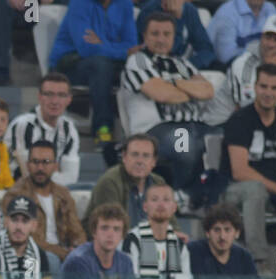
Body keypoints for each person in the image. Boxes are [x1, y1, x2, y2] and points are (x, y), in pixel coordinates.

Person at [222, 62, 276, 262]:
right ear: (255, 87)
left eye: (274, 88)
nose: (268, 93)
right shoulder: (240, 120)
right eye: (263, 86)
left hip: (274, 187)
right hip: (235, 189)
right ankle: (258, 259)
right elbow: (240, 171)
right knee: (255, 189)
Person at [120, 11, 215, 192]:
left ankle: (205, 197)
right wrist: (191, 90)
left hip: (194, 124)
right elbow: (162, 95)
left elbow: (208, 91)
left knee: (223, 140)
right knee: (186, 147)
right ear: (144, 36)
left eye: (167, 34)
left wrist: (174, 83)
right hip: (156, 128)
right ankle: (180, 195)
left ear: (174, 37)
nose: (161, 39)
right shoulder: (138, 60)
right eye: (155, 34)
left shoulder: (182, 63)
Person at [49, 0, 136, 143]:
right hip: (69, 65)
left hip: (108, 63)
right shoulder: (79, 4)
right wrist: (121, 51)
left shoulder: (125, 4)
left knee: (134, 67)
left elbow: (131, 45)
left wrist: (102, 44)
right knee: (100, 65)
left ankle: (136, 131)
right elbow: (86, 48)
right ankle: (103, 128)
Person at [205, 15, 276, 129]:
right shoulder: (243, 63)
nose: (271, 44)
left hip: (269, 123)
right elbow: (247, 108)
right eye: (268, 37)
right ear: (261, 37)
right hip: (223, 123)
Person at [4, 140, 86, 263]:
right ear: (27, 165)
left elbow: (76, 231)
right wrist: (63, 253)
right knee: (51, 260)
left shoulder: (63, 194)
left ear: (55, 166)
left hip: (65, 254)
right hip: (32, 255)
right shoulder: (16, 195)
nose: (40, 168)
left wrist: (80, 250)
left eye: (46, 162)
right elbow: (27, 239)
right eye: (35, 162)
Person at [7, 72, 82, 187]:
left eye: (61, 95)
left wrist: (48, 172)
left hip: (53, 193)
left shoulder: (69, 129)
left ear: (69, 99)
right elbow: (28, 174)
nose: (55, 101)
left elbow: (71, 177)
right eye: (49, 94)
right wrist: (55, 169)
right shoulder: (23, 125)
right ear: (39, 96)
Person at [85, 133, 167, 230]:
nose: (140, 161)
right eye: (135, 154)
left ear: (154, 161)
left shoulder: (158, 182)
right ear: (124, 157)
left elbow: (169, 221)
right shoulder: (109, 182)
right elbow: (112, 229)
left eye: (146, 156)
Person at [137, 0, 215, 70]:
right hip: (157, 68)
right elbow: (163, 49)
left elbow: (207, 50)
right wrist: (177, 17)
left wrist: (187, 66)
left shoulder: (189, 10)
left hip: (185, 66)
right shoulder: (148, 11)